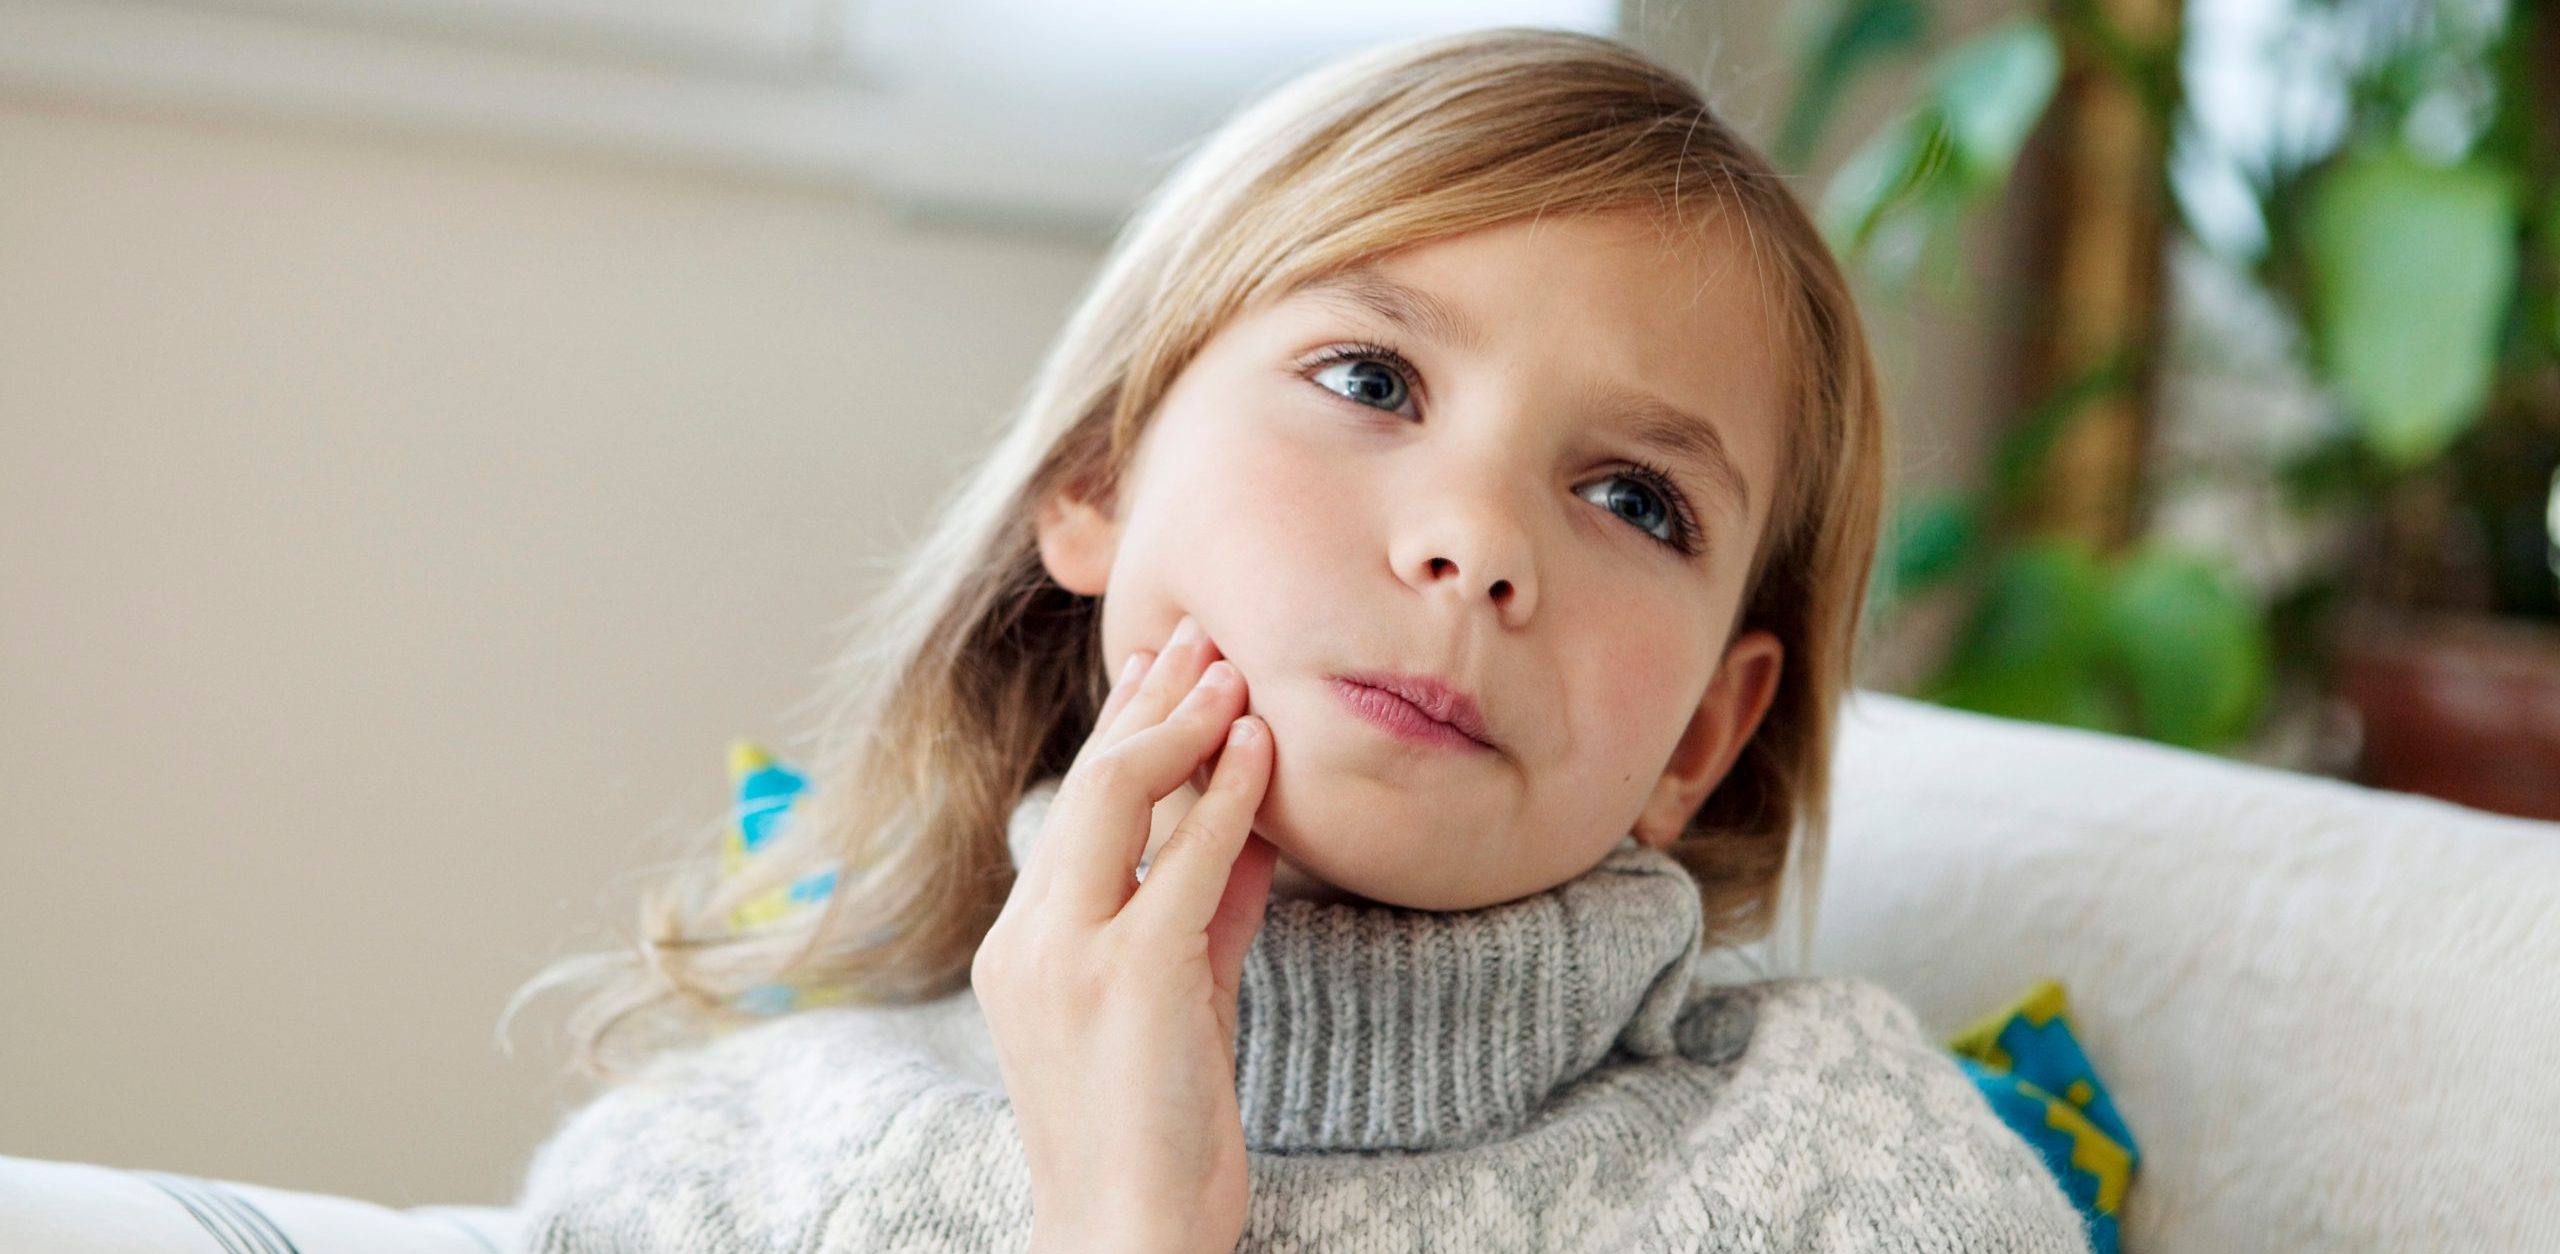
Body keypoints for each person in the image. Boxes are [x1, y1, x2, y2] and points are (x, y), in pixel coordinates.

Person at [501, 26, 2094, 1254]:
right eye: (1372, 381)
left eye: (1633, 496)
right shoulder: (719, 1170)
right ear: (1101, 475)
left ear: (1702, 733)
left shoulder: (1859, 1171)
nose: (1475, 544)